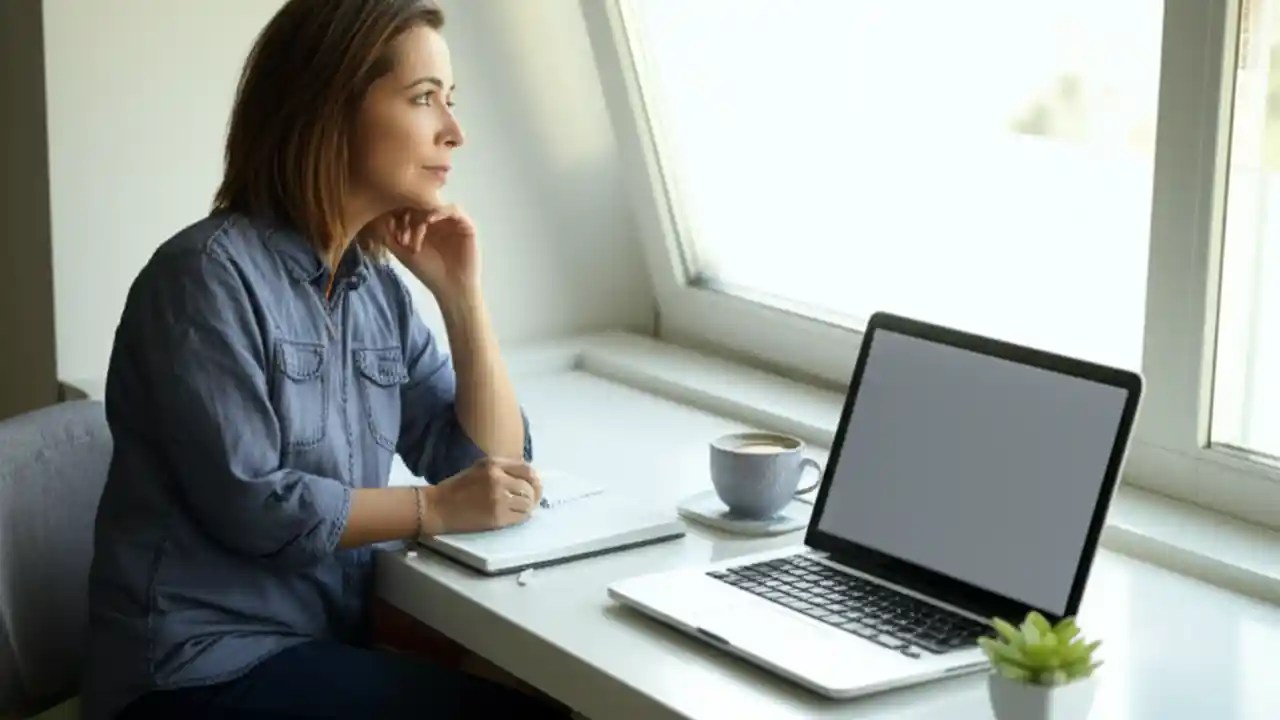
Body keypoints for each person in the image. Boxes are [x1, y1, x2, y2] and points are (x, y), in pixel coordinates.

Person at [81, 1, 562, 717]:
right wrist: (432, 508)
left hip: (311, 649)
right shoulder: (202, 278)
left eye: (450, 103)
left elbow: (490, 472)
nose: (454, 133)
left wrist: (463, 301)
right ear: (331, 105)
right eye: (424, 99)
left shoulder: (377, 291)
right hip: (191, 674)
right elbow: (256, 507)